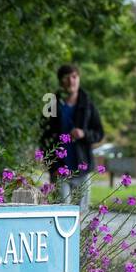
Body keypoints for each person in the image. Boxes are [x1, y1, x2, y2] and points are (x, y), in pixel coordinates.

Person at [40, 63, 103, 206]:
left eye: (74, 77)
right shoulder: (50, 102)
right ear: (61, 81)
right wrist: (52, 166)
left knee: (82, 213)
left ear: (79, 78)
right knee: (61, 213)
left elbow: (99, 133)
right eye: (66, 77)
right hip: (60, 169)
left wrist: (84, 133)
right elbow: (43, 136)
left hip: (82, 167)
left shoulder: (88, 103)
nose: (71, 81)